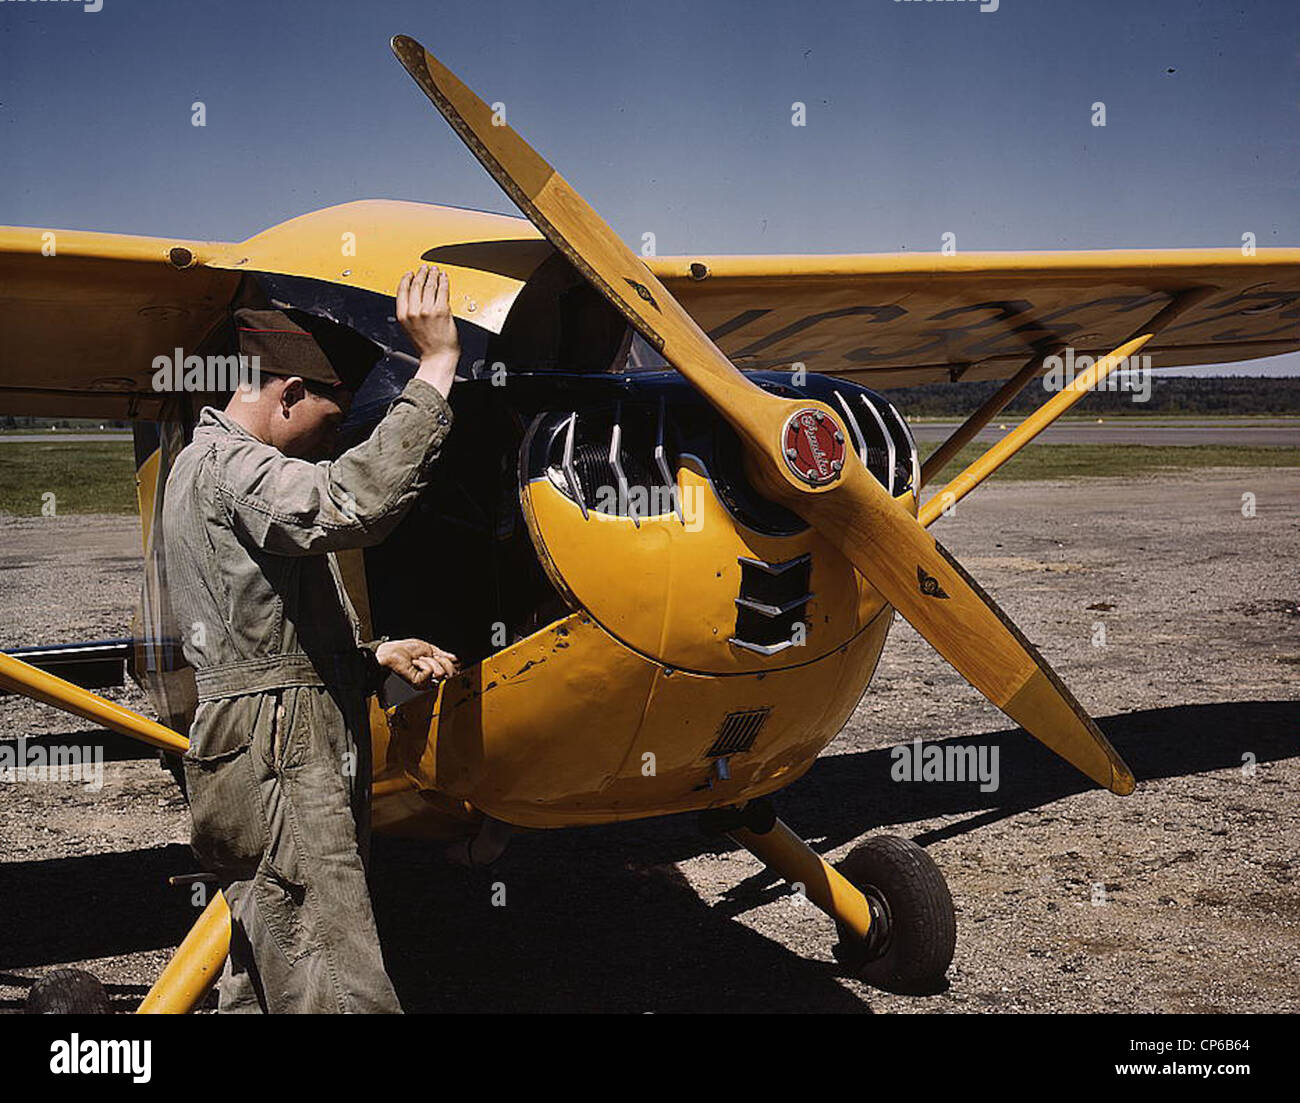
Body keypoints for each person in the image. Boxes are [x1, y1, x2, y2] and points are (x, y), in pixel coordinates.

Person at [162, 265, 460, 1013]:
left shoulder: (210, 467)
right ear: (288, 393)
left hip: (262, 741)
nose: (323, 446)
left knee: (274, 964)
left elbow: (263, 631)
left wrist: (370, 658)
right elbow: (347, 501)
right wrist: (436, 368)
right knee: (333, 978)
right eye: (327, 424)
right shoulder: (234, 465)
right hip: (277, 751)